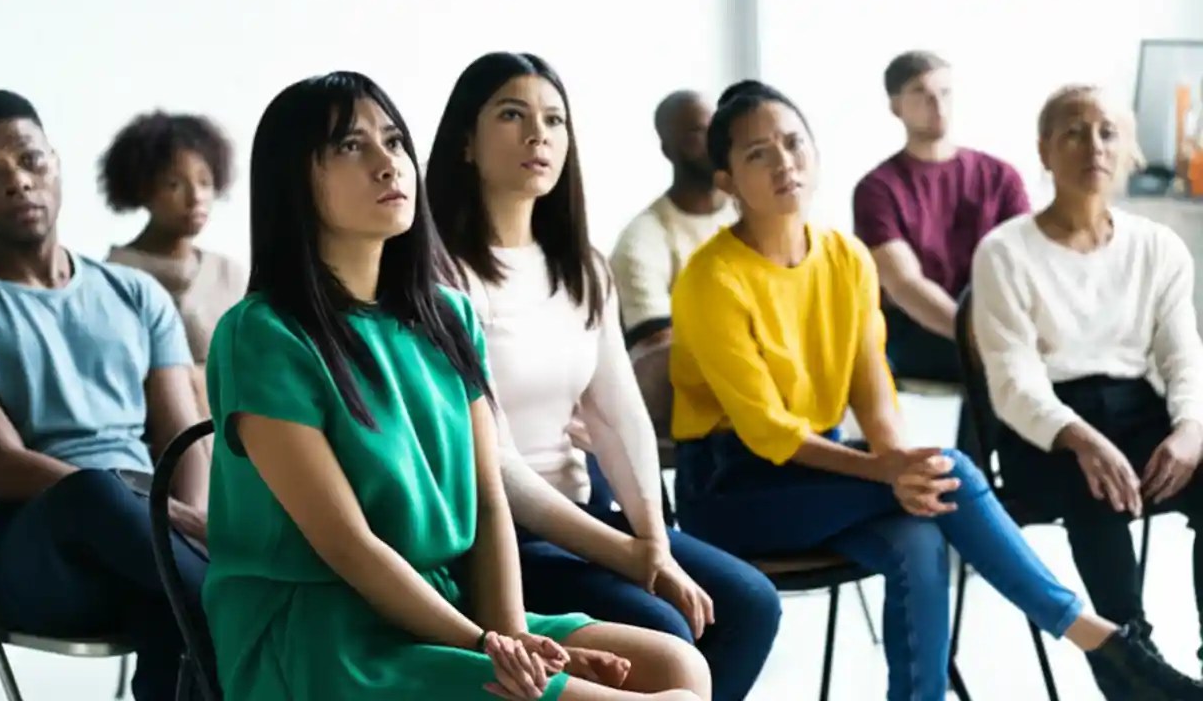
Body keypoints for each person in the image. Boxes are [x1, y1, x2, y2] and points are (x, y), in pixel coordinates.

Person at [670, 79, 1203, 701]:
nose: (784, 162)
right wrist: (888, 468)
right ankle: (1103, 641)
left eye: (793, 143)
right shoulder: (711, 279)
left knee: (921, 525)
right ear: (728, 180)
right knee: (951, 472)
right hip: (731, 486)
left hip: (816, 471)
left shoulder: (845, 257)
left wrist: (900, 463)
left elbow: (872, 387)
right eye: (758, 153)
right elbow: (767, 432)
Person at [202, 70, 709, 701]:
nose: (389, 164)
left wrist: (512, 636)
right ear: (293, 180)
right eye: (351, 146)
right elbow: (349, 547)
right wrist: (486, 647)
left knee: (680, 669)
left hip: (449, 608)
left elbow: (490, 501)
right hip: (324, 637)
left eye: (394, 141)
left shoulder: (448, 315)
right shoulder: (262, 334)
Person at [426, 52, 778, 701]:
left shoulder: (582, 266)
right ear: (466, 143)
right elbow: (493, 464)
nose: (538, 135)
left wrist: (654, 540)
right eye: (512, 115)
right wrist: (630, 557)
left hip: (587, 513)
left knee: (751, 603)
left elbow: (620, 417)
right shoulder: (437, 276)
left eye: (554, 120)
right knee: (664, 628)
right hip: (499, 539)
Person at [0, 91, 210, 700]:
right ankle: (250, 594)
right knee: (95, 492)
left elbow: (183, 440)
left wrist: (173, 518)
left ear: (55, 162)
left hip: (149, 550)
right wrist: (178, 520)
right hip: (37, 556)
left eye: (30, 160)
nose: (18, 181)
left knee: (174, 613)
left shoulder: (137, 294)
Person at [974, 84, 1203, 681]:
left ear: (1128, 150)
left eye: (1107, 132)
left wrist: (1190, 430)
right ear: (1044, 151)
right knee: (1093, 482)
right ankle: (1134, 665)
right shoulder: (1004, 252)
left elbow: (1183, 355)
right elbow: (1013, 380)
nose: (1093, 146)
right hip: (1045, 429)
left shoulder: (1159, 247)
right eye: (1073, 132)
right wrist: (1081, 438)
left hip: (1136, 408)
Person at [853, 51, 1031, 390]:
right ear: (895, 106)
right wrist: (973, 336)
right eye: (921, 93)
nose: (937, 104)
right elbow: (904, 285)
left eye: (945, 92)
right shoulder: (877, 189)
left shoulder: (1000, 176)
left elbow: (1026, 265)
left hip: (994, 321)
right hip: (919, 331)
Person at [99, 111, 247, 416]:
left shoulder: (229, 273)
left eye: (205, 182)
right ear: (143, 189)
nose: (196, 197)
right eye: (174, 184)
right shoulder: (115, 276)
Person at [610, 90, 735, 351]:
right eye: (697, 132)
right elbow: (659, 348)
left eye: (717, 128)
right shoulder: (641, 242)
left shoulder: (754, 211)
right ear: (668, 150)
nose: (715, 142)